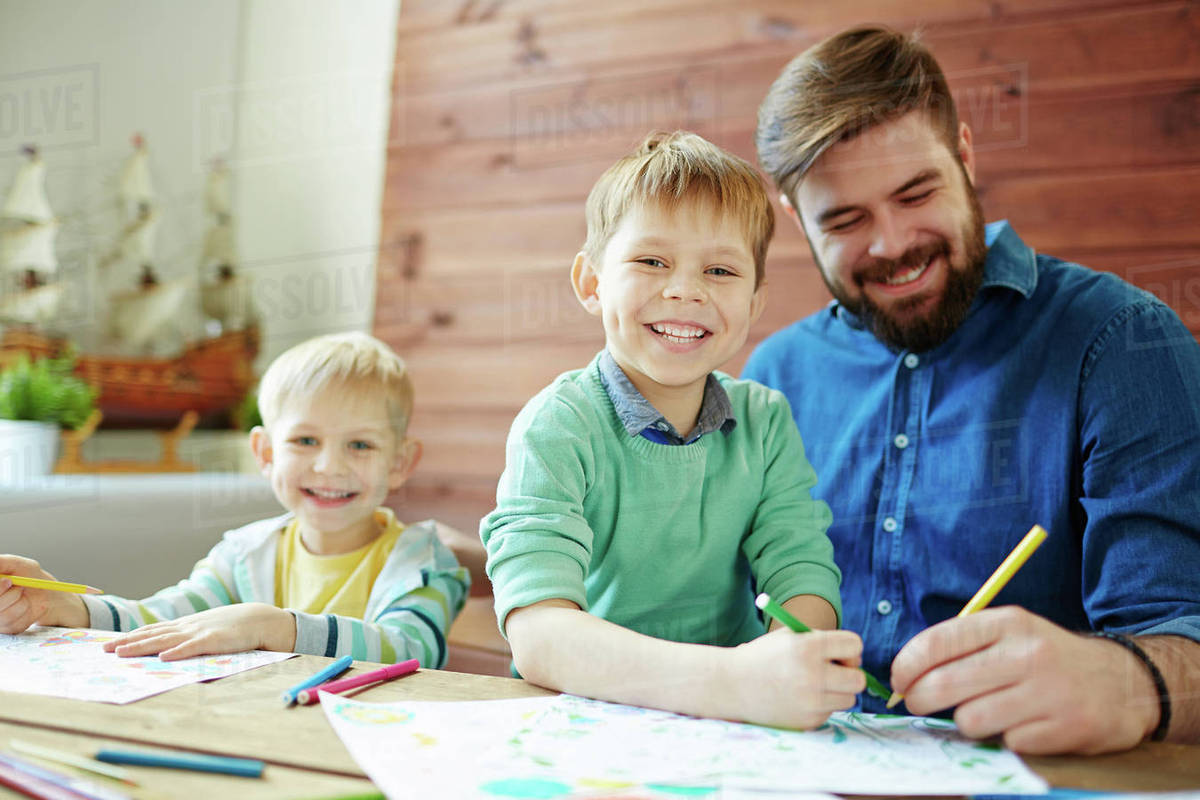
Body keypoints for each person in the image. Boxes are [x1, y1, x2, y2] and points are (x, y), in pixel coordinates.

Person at [745, 25, 1200, 753]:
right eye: (847, 219)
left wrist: (1125, 682)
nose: (891, 244)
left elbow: (1186, 636)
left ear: (964, 154)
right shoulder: (770, 380)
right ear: (798, 221)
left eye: (914, 192)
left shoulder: (1120, 344)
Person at [481, 131, 862, 730]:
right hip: (587, 721)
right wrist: (732, 682)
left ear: (755, 302)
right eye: (652, 261)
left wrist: (800, 658)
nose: (686, 289)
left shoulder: (765, 420)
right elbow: (539, 637)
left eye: (720, 269)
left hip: (739, 724)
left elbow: (800, 568)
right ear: (591, 283)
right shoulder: (557, 425)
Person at [0, 332, 469, 667]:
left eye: (360, 445)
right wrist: (64, 608)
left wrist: (275, 626)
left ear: (400, 463)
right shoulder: (244, 553)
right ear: (265, 453)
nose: (329, 466)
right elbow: (164, 619)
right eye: (305, 441)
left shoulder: (422, 558)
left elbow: (410, 649)